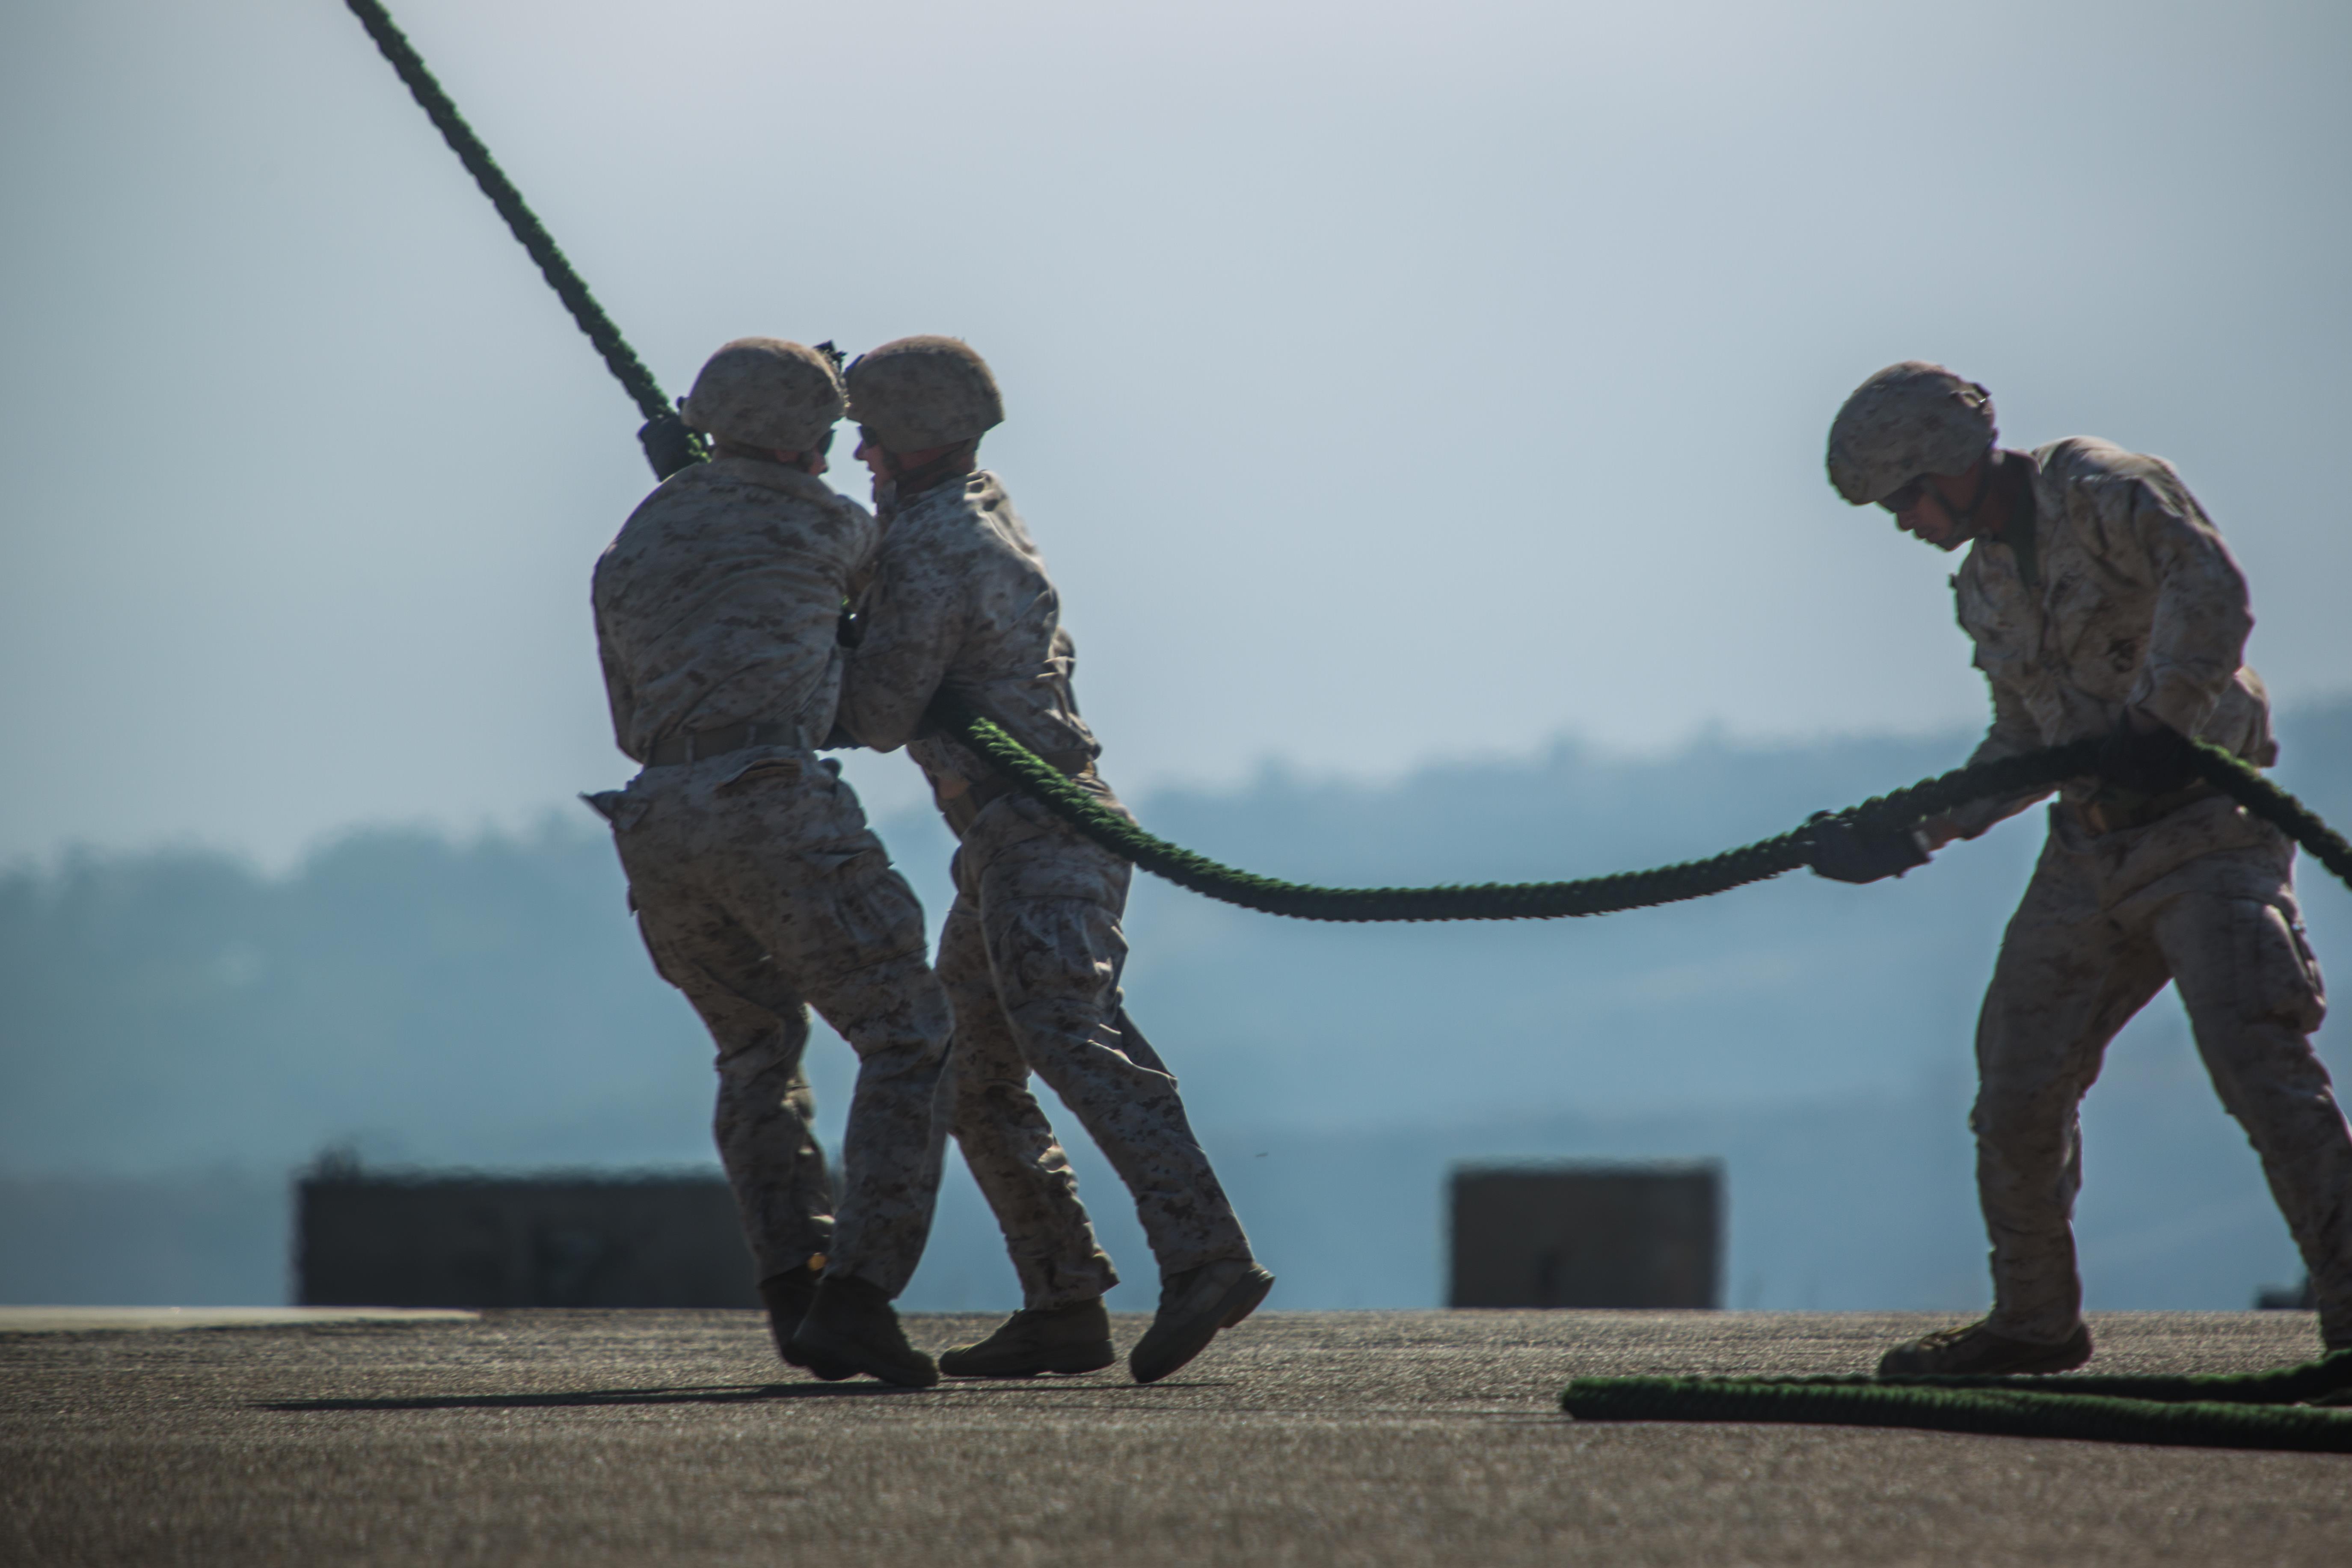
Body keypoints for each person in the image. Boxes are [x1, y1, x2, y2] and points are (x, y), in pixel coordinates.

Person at [1816, 361, 2352, 1374]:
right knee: (2016, 1084)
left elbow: (2210, 587)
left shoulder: (2105, 491)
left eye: (1904, 499)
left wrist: (2165, 719)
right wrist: (1908, 833)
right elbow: (2024, 742)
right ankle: (2033, 1323)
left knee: (2260, 1068)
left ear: (1948, 465)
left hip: (2207, 835)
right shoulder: (1982, 585)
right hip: (2091, 851)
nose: (1903, 522)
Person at [834, 335, 1272, 1384]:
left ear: (910, 435)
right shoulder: (963, 507)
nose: (857, 457)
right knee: (970, 1073)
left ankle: (1207, 1255)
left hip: (1038, 829)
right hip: (1006, 836)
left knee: (1068, 1034)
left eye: (868, 435)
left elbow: (880, 713)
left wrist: (790, 608)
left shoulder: (938, 542)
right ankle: (1063, 1299)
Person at [589, 338, 952, 1386]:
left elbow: (628, 715)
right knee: (907, 1036)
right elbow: (869, 708)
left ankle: (795, 1287)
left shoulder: (635, 541)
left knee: (755, 1053)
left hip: (656, 817)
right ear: (811, 444)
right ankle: (859, 1292)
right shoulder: (835, 524)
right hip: (772, 804)